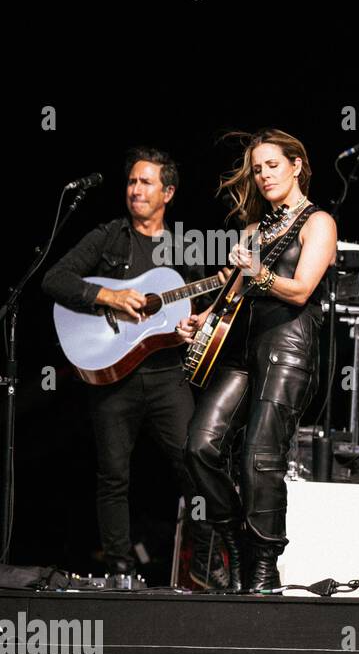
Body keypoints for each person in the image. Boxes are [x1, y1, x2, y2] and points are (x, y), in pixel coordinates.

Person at [41, 147, 222, 585]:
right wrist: (109, 297)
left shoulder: (185, 247)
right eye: (132, 182)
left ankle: (204, 568)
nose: (135, 189)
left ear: (169, 192)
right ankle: (120, 574)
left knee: (194, 468)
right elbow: (54, 279)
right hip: (112, 375)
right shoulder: (108, 236)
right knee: (113, 476)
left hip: (165, 376)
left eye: (146, 183)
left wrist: (192, 326)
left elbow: (198, 311)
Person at [177, 129, 337, 592]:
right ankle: (236, 536)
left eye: (272, 165)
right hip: (241, 349)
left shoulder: (317, 222)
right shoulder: (254, 230)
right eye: (258, 168)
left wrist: (259, 272)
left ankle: (264, 564)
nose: (264, 175)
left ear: (296, 165)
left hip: (288, 345)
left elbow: (302, 288)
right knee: (199, 446)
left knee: (261, 458)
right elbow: (236, 294)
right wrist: (201, 320)